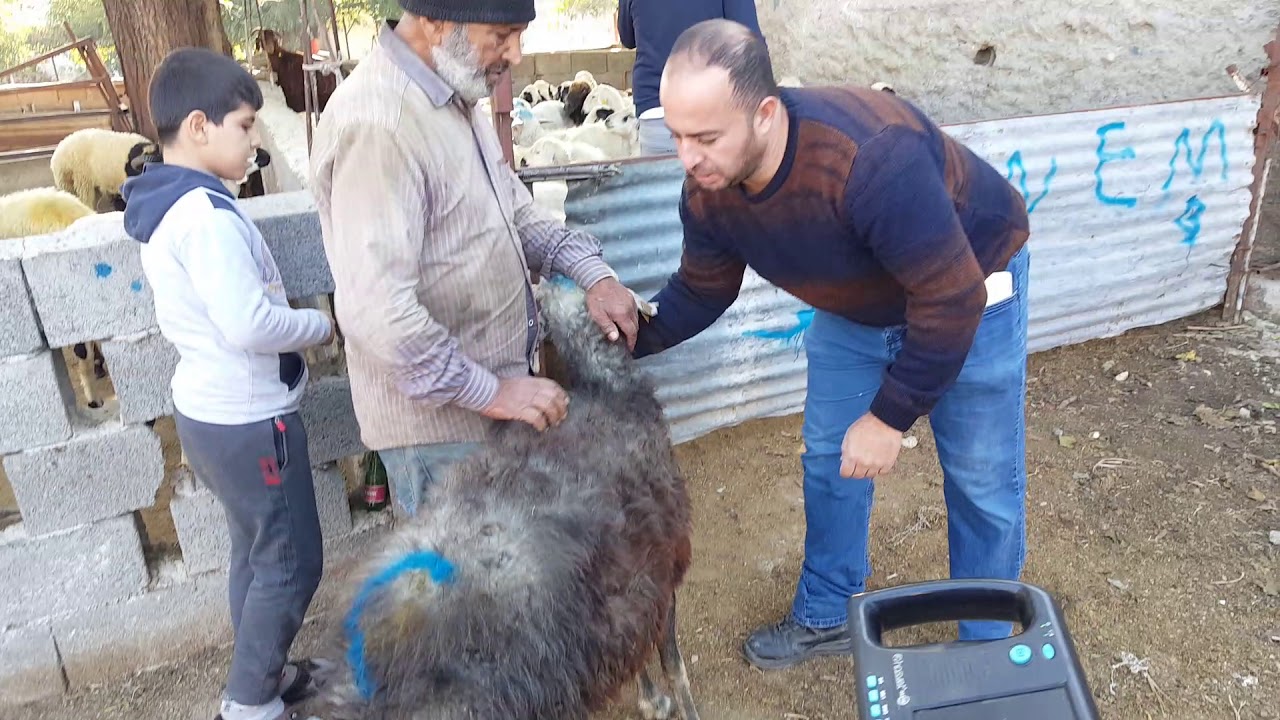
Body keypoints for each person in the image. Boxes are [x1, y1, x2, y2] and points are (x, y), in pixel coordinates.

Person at [632, 19, 1033, 670]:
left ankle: (987, 645)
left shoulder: (869, 159)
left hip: (971, 284)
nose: (689, 158)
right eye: (677, 137)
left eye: (706, 138)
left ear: (765, 114)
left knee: (981, 480)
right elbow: (703, 289)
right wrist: (620, 340)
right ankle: (826, 616)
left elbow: (950, 297)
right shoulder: (709, 192)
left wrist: (889, 418)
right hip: (859, 308)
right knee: (828, 461)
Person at [310, 0, 639, 520]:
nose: (516, 53)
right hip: (441, 438)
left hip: (490, 414)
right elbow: (379, 312)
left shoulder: (452, 96)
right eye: (502, 34)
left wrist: (593, 274)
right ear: (436, 21)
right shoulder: (379, 124)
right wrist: (492, 392)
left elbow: (516, 212)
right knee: (467, 571)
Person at [121, 48, 333, 720]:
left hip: (211, 415)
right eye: (244, 126)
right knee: (292, 565)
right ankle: (248, 704)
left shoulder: (171, 204)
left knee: (256, 553)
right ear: (198, 126)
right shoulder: (205, 219)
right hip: (250, 421)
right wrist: (319, 325)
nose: (254, 141)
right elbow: (248, 323)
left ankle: (265, 673)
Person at [616, 0, 765, 155]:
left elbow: (627, 38)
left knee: (660, 169)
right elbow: (750, 40)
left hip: (654, 109)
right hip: (712, 105)